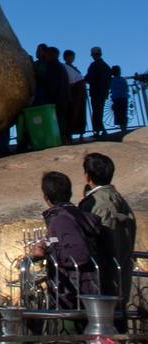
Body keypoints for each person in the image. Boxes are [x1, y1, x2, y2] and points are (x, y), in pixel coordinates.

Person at [30, 171, 102, 309]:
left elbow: (79, 254)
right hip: (85, 290)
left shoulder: (61, 219)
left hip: (74, 294)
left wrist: (47, 251)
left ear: (46, 197)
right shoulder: (74, 215)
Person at [79, 152, 136, 309]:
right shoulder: (118, 199)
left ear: (87, 176)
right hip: (121, 280)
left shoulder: (96, 204)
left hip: (103, 286)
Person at [42, 46, 71, 142]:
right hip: (63, 98)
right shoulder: (59, 66)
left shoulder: (53, 66)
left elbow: (53, 84)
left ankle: (61, 139)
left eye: (47, 54)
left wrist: (49, 98)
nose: (45, 56)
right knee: (62, 119)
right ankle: (65, 138)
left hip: (57, 98)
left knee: (58, 120)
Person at [85, 46, 112, 138]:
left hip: (95, 92)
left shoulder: (94, 66)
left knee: (96, 111)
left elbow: (89, 78)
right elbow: (108, 80)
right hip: (103, 92)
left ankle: (97, 131)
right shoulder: (106, 66)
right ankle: (101, 130)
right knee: (99, 111)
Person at [64, 50, 87, 138]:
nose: (71, 59)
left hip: (79, 92)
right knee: (74, 112)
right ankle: (71, 131)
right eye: (70, 57)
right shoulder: (65, 67)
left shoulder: (73, 68)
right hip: (74, 92)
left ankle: (80, 131)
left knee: (80, 111)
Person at [110, 66, 129, 135]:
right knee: (124, 113)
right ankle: (124, 129)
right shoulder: (123, 80)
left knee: (119, 114)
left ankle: (123, 130)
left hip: (117, 99)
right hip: (124, 98)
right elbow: (127, 89)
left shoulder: (111, 80)